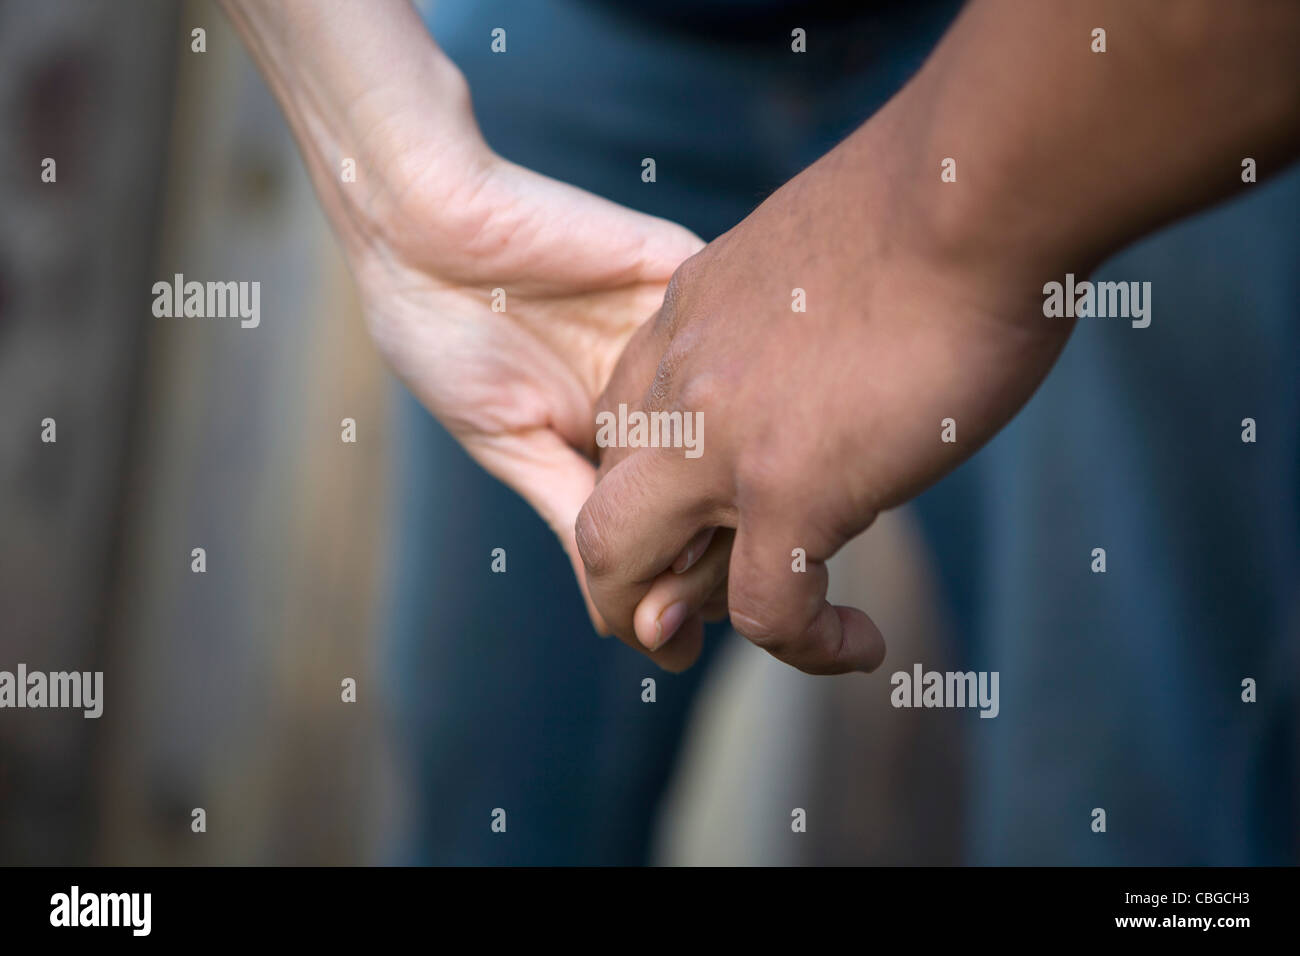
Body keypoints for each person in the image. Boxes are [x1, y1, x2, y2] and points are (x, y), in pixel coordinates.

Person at [222, 0, 1300, 863]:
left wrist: (914, 233)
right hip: (578, 42)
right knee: (494, 801)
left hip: (1083, 59)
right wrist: (394, 180)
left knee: (1132, 807)